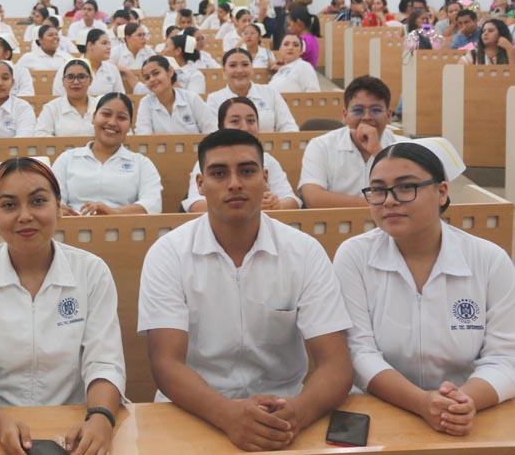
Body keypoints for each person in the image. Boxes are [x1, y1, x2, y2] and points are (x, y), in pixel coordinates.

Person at [140, 129, 352, 451]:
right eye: (219, 173)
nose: (234, 183)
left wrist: (298, 413)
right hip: (194, 411)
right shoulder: (168, 253)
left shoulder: (304, 251)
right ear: (200, 184)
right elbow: (166, 364)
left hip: (285, 413)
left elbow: (336, 364)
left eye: (247, 171)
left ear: (265, 179)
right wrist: (227, 415)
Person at [333, 139, 515, 437]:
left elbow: (506, 357)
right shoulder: (354, 256)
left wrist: (464, 401)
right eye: (378, 190)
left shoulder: (489, 260)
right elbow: (357, 352)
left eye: (406, 187)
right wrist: (421, 402)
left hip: (469, 414)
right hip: (380, 409)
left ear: (442, 192)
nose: (389, 201)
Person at [0, 158, 125, 455]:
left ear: (58, 206)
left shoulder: (91, 271)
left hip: (77, 423)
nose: (25, 216)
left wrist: (100, 418)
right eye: (9, 205)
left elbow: (104, 361)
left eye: (38, 201)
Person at [299, 76, 401, 208]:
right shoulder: (321, 146)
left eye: (375, 110)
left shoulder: (405, 147)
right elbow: (313, 198)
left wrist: (378, 152)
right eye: (358, 110)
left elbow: (416, 195)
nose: (366, 117)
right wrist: (381, 204)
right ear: (345, 115)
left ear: (388, 116)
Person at [183, 98, 301, 213]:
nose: (245, 127)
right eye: (235, 121)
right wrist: (248, 206)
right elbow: (195, 206)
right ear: (221, 127)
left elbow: (292, 202)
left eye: (251, 121)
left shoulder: (268, 160)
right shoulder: (209, 160)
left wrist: (277, 205)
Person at [54, 93, 163, 214]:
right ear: (94, 117)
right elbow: (53, 200)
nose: (112, 122)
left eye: (121, 118)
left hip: (124, 229)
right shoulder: (67, 159)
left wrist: (113, 212)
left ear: (129, 126)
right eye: (106, 114)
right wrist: (61, 211)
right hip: (73, 228)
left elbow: (153, 205)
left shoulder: (142, 163)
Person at [206, 48, 298, 133]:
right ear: (224, 70)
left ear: (252, 68)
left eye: (245, 65)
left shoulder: (270, 92)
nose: (239, 70)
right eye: (233, 65)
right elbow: (213, 134)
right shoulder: (214, 99)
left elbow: (289, 126)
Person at [134, 56, 214, 135]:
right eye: (147, 77)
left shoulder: (192, 98)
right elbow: (143, 136)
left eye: (156, 73)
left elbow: (211, 130)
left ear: (170, 72)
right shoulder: (146, 103)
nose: (151, 79)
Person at [36, 59, 99, 137]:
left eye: (81, 77)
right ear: (63, 81)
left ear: (90, 80)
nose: (76, 82)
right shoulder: (51, 108)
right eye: (70, 77)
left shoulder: (100, 106)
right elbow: (41, 135)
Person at [55, 29, 121, 97]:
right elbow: (58, 96)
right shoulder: (68, 67)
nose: (109, 47)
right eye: (104, 43)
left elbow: (120, 97)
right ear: (90, 45)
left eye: (109, 43)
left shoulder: (112, 69)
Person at [111, 22, 153, 90]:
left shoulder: (148, 51)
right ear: (128, 38)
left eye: (144, 35)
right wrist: (123, 70)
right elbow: (106, 67)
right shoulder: (116, 51)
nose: (143, 38)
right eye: (139, 35)